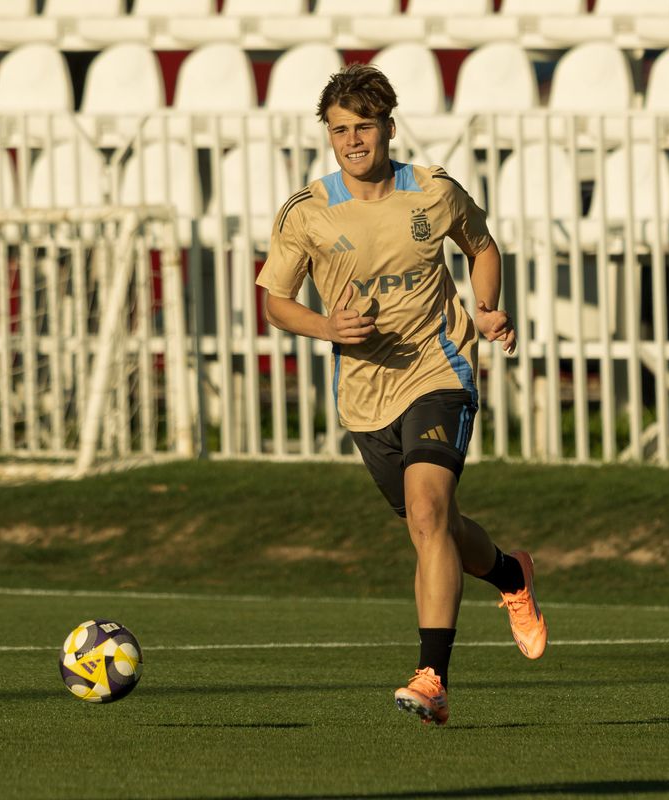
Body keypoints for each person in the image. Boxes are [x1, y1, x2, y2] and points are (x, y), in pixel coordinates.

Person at [256, 63, 547, 726]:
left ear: (389, 127)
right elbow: (276, 301)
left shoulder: (433, 191)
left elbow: (482, 246)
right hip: (365, 395)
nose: (352, 140)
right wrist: (327, 326)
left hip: (439, 370)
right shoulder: (307, 212)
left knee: (427, 512)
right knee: (434, 527)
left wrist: (486, 308)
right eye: (340, 130)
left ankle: (432, 679)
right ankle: (510, 574)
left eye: (363, 126)